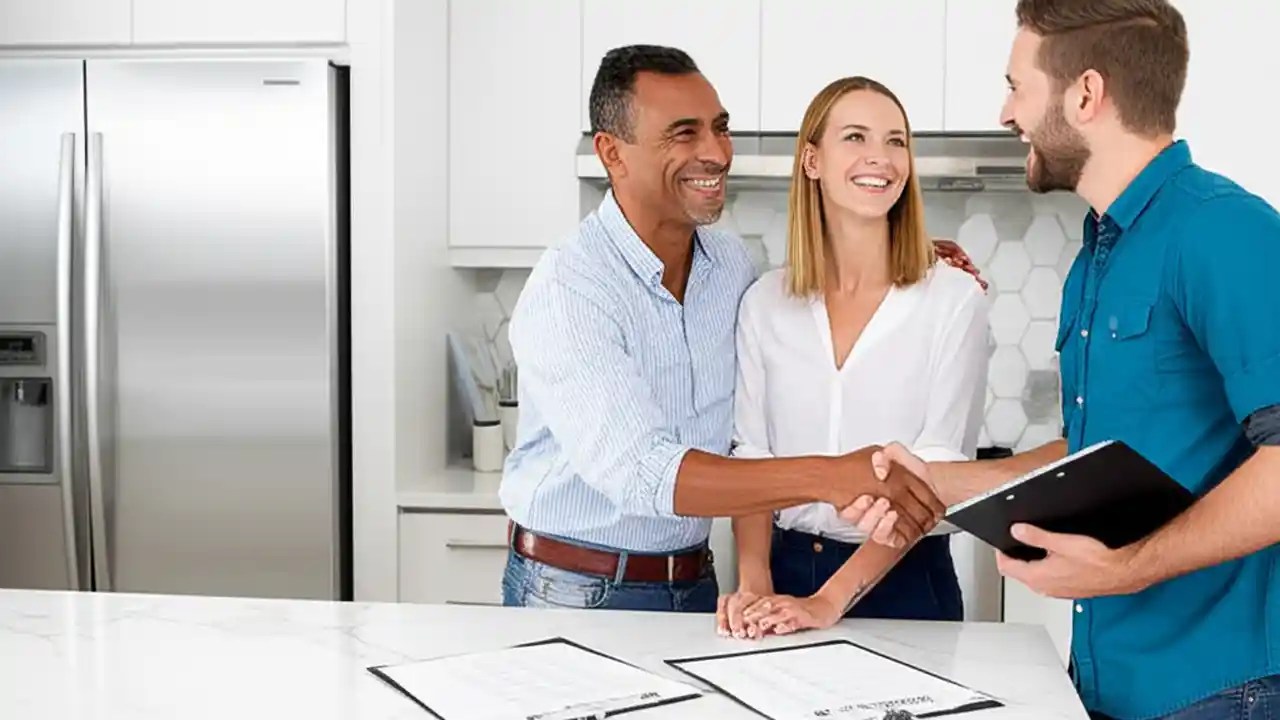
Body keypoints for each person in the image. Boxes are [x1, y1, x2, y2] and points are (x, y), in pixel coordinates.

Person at [850, 2, 1280, 719]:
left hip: (1220, 689)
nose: (1005, 112)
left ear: (1086, 94)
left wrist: (1126, 569)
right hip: (1112, 683)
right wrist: (936, 483)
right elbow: (1094, 452)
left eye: (1018, 86)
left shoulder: (1224, 232)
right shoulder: (1101, 252)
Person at [499, 45, 975, 613]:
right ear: (612, 153)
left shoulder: (730, 270)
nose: (715, 153)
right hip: (575, 588)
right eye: (683, 134)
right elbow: (642, 473)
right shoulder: (570, 287)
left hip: (697, 582)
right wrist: (830, 478)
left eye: (719, 129)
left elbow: (833, 277)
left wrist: (919, 259)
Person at [715, 76, 990, 639]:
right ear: (812, 160)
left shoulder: (953, 299)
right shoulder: (765, 303)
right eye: (857, 137)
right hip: (784, 571)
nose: (880, 158)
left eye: (896, 141)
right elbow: (751, 461)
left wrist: (829, 601)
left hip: (908, 584)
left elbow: (930, 479)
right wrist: (754, 582)